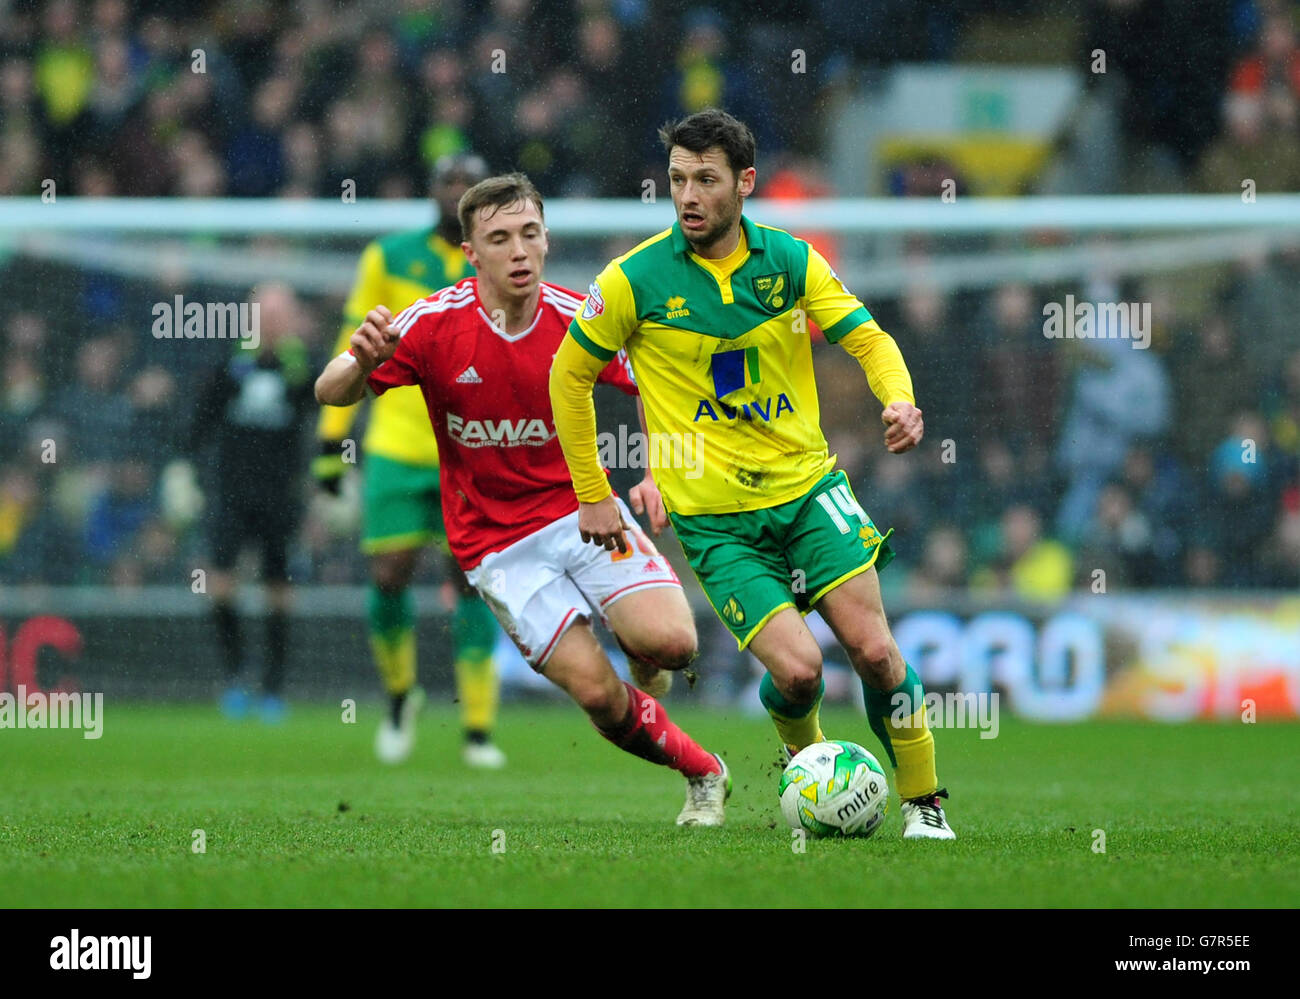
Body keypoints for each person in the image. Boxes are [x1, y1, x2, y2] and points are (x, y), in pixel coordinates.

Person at [549, 108, 955, 839]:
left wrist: (900, 400)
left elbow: (868, 337)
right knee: (800, 672)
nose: (688, 196)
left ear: (745, 182)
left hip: (809, 490)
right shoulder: (634, 280)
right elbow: (567, 377)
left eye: (705, 179)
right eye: (677, 180)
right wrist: (593, 492)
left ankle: (925, 804)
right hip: (716, 522)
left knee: (874, 651)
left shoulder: (792, 260)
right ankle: (814, 776)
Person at [315, 173, 730, 826]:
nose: (518, 250)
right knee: (596, 693)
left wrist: (653, 469)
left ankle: (643, 652)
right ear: (471, 253)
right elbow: (329, 391)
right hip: (497, 546)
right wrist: (359, 362)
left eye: (529, 234)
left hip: (583, 511)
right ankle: (703, 771)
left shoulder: (579, 319)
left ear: (546, 240)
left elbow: (652, 384)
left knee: (675, 643)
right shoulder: (431, 323)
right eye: (499, 238)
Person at [315, 152, 508, 767]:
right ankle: (401, 696)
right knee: (388, 575)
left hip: (472, 446)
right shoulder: (388, 257)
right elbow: (355, 349)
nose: (455, 193)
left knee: (473, 581)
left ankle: (478, 728)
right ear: (432, 192)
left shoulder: (497, 259)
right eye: (446, 182)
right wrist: (329, 444)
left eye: (466, 184)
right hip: (398, 444)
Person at [189, 282, 315, 722]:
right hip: (231, 494)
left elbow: (324, 428)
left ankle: (274, 688)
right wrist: (182, 470)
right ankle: (236, 677)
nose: (272, 324)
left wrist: (333, 480)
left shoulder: (303, 370)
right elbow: (198, 425)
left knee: (278, 592)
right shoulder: (229, 365)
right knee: (221, 586)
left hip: (281, 497)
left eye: (280, 315)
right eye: (264, 315)